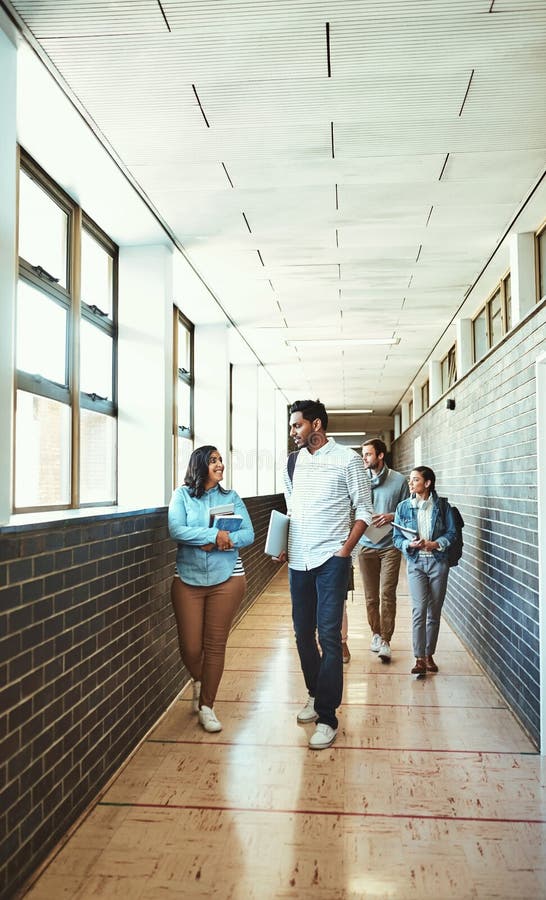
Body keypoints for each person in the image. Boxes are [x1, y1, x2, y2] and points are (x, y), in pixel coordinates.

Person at [276, 400, 374, 750]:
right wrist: (283, 543)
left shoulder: (347, 460)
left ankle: (328, 716)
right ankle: (315, 695)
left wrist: (345, 550)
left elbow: (364, 508)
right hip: (298, 561)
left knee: (329, 636)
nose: (293, 432)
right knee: (303, 633)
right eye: (291, 427)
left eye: (297, 426)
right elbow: (292, 509)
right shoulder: (292, 462)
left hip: (331, 560)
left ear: (316, 425)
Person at [168, 446, 254, 732]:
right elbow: (176, 530)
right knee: (190, 646)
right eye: (214, 460)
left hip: (228, 577)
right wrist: (212, 535)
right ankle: (200, 680)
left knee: (215, 645)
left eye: (221, 460)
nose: (220, 465)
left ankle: (207, 706)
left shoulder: (231, 498)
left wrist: (220, 541)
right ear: (200, 465)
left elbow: (248, 534)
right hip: (188, 579)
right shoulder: (181, 496)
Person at [392, 466, 456, 675]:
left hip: (438, 563)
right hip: (416, 564)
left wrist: (435, 544)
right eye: (410, 480)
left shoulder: (443, 506)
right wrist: (409, 545)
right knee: (419, 610)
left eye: (415, 480)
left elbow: (452, 533)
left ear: (427, 483)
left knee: (433, 612)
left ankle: (429, 655)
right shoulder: (403, 507)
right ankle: (419, 658)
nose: (411, 483)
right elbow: (397, 538)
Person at [357, 439, 409, 662]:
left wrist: (391, 516)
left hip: (390, 546)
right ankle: (376, 635)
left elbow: (409, 512)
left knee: (387, 594)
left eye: (368, 454)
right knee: (371, 598)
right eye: (363, 454)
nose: (364, 458)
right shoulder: (360, 481)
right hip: (366, 545)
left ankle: (386, 640)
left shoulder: (399, 480)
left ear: (380, 456)